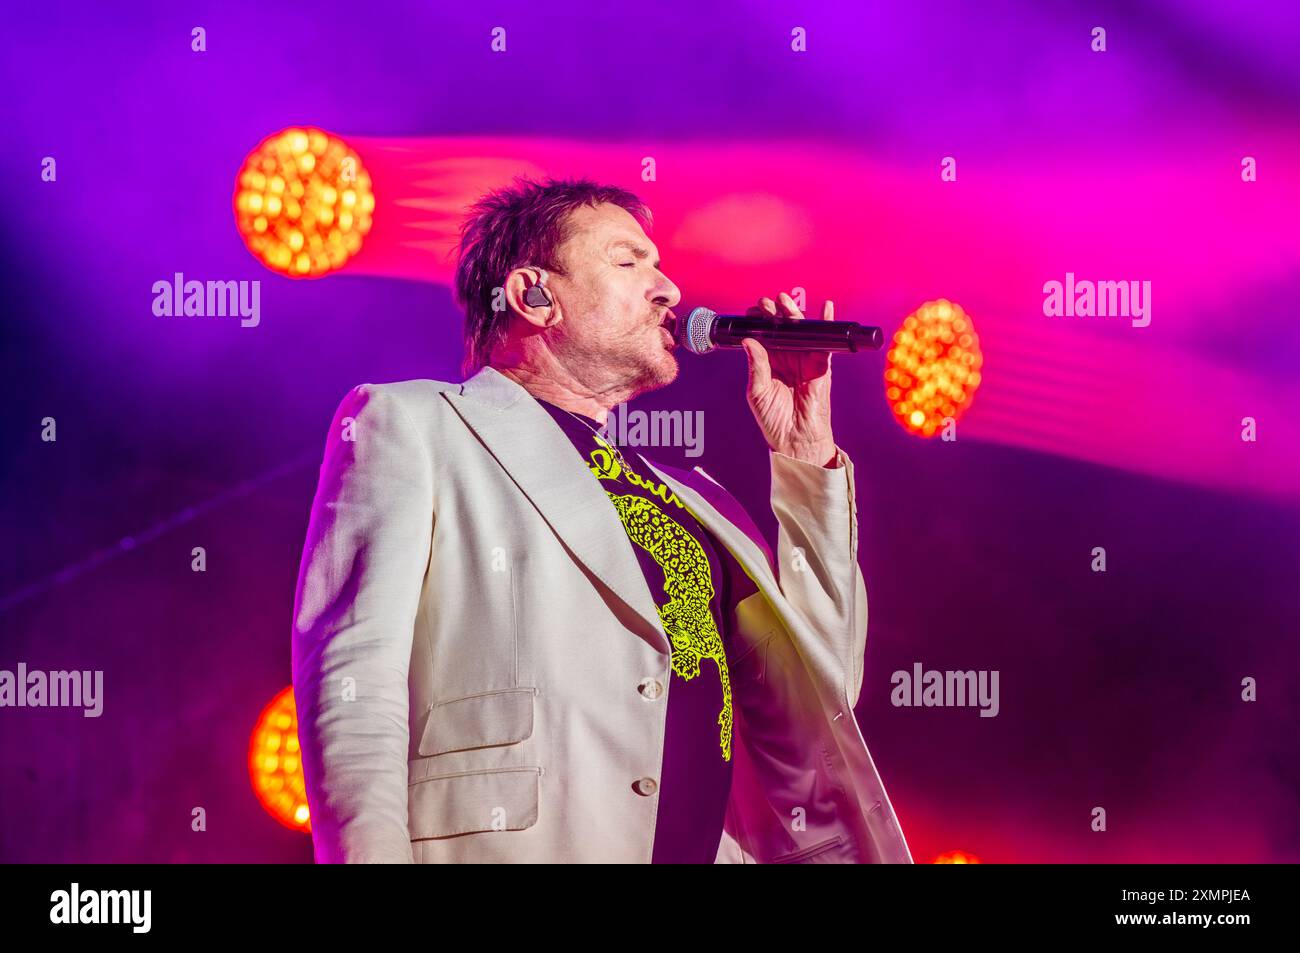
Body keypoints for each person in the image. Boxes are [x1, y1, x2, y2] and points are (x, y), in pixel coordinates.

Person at [290, 176, 913, 863]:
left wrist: (804, 455)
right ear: (534, 295)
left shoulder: (696, 498)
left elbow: (825, 693)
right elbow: (355, 690)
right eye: (629, 261)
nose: (669, 289)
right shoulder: (415, 425)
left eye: (658, 264)